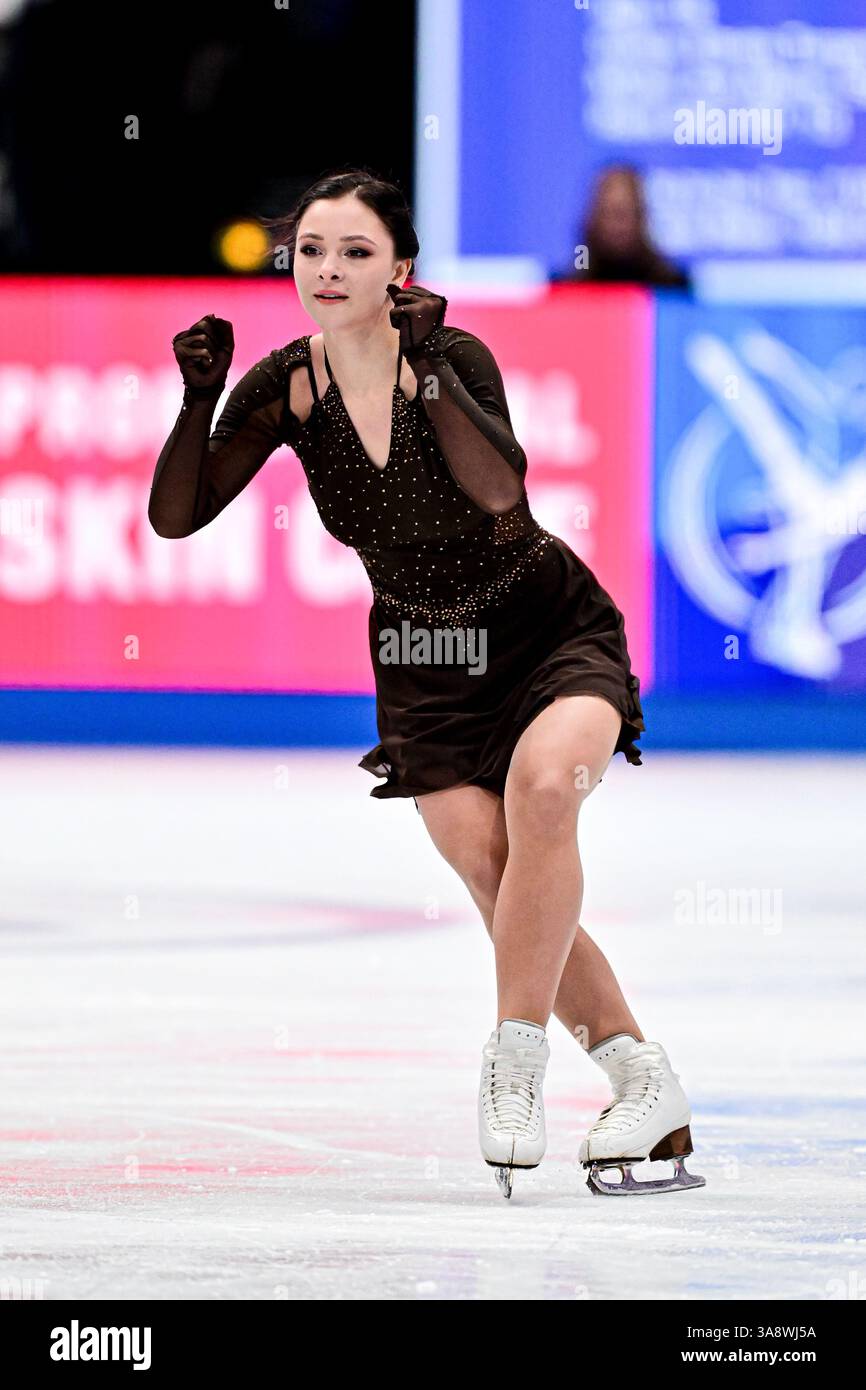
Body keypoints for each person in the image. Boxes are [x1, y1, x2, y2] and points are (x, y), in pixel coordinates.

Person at [148, 165, 703, 1200]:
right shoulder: (287, 384)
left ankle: (512, 1062)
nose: (327, 269)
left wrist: (426, 366)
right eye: (310, 249)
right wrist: (197, 400)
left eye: (354, 252)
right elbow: (179, 516)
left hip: (544, 628)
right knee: (496, 874)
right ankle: (642, 1077)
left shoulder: (450, 356)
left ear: (398, 269)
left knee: (545, 797)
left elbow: (499, 487)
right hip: (423, 661)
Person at [561, 164, 691, 290]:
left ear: (642, 216)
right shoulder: (568, 288)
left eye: (625, 214)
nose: (618, 225)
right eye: (610, 213)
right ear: (592, 217)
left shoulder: (673, 286)